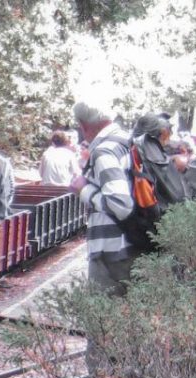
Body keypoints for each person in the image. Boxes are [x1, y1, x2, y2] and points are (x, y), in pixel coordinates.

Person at [69, 100, 135, 296]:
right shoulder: (125, 140)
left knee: (104, 320)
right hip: (130, 243)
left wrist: (84, 190)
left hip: (113, 250)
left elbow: (121, 206)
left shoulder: (104, 151)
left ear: (83, 125)